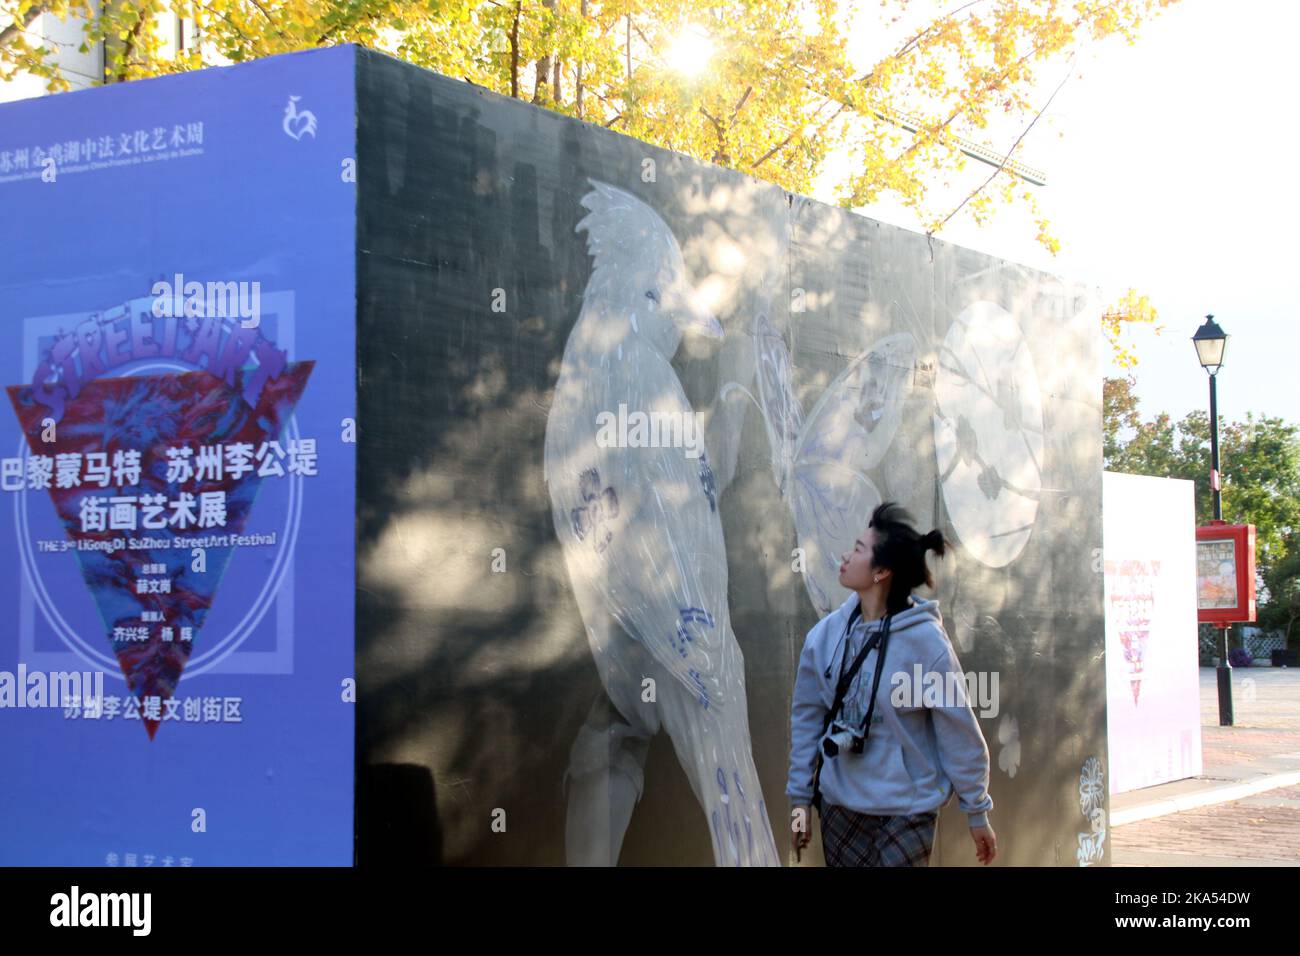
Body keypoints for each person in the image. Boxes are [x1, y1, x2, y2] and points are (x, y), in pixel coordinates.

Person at [786, 501, 997, 867]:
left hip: (907, 810)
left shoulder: (925, 643)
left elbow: (958, 729)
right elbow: (807, 721)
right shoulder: (824, 638)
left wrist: (976, 810)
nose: (845, 556)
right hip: (841, 808)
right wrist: (800, 800)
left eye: (857, 550)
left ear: (882, 570)